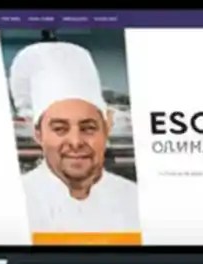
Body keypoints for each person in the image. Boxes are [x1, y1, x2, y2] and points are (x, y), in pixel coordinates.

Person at [8, 41, 139, 234]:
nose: (76, 142)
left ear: (106, 128)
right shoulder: (14, 202)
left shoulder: (133, 197)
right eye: (60, 129)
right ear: (38, 134)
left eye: (88, 128)